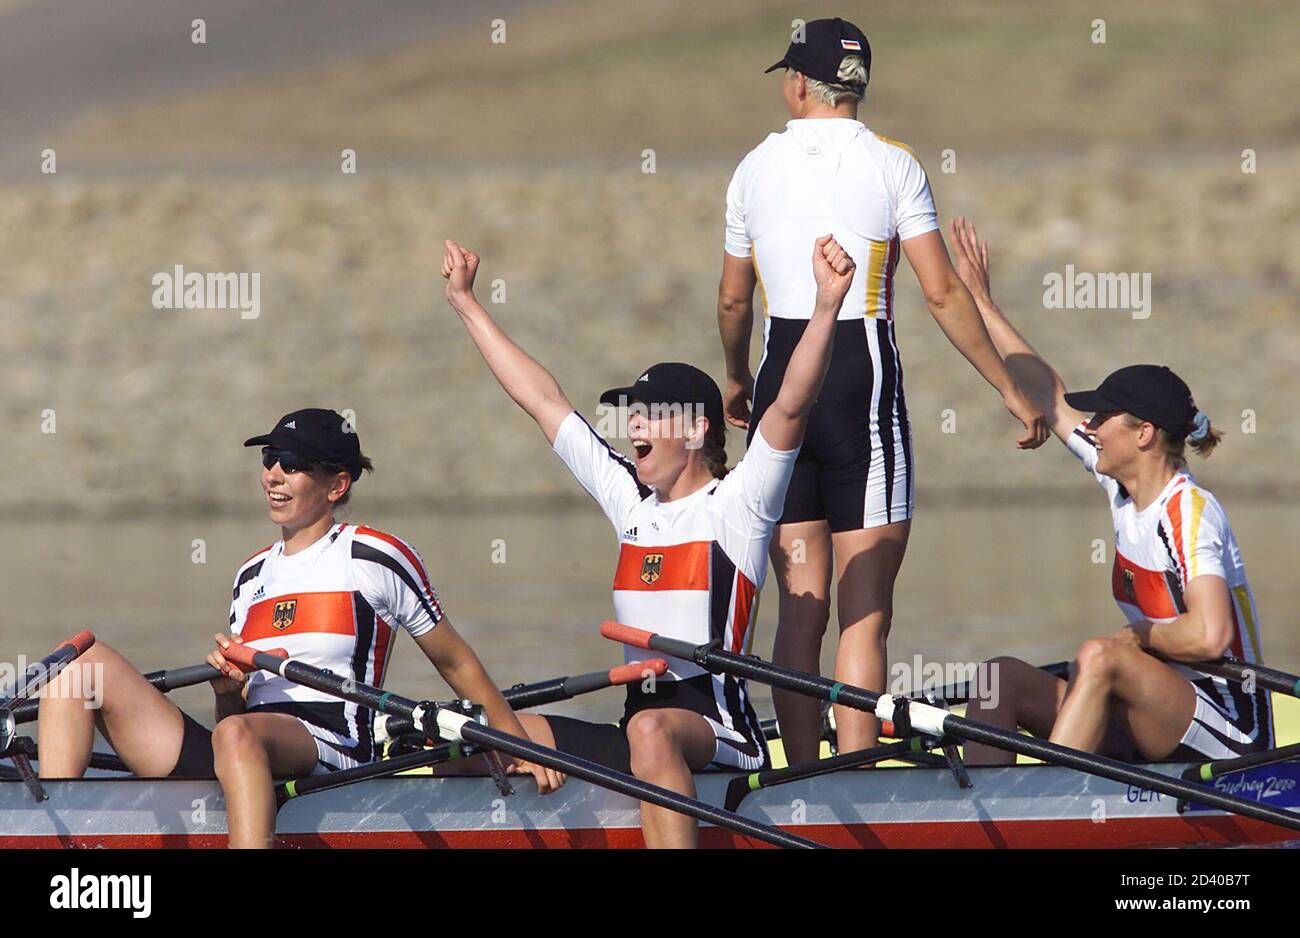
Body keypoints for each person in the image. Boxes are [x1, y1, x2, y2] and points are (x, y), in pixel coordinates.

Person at [442, 231, 855, 847]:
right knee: (476, 739)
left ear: (695, 430)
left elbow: (790, 408)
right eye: (630, 411)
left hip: (719, 732)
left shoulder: (738, 505)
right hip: (639, 725)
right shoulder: (629, 501)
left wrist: (825, 308)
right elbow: (543, 400)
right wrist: (468, 305)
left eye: (650, 411)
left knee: (650, 732)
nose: (633, 422)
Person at [716, 17, 1048, 762]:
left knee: (801, 611)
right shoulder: (893, 164)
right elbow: (941, 294)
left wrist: (736, 375)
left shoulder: (752, 168)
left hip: (780, 392)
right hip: (860, 386)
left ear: (799, 83)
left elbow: (736, 302)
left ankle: (802, 779)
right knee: (863, 617)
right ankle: (857, 779)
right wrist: (1007, 388)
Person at [37, 408, 561, 847]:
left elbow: (456, 662)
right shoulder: (250, 575)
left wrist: (516, 745)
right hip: (246, 741)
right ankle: (46, 833)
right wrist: (226, 691)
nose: (273, 474)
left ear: (337, 484)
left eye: (292, 464)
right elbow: (235, 715)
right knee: (80, 665)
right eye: (269, 460)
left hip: (333, 744)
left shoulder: (374, 555)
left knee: (238, 735)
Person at [946, 217, 1273, 766]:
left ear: (1143, 434)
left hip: (1231, 726)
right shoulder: (1115, 478)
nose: (1090, 426)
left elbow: (1211, 636)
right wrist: (982, 301)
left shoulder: (1190, 513)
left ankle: (1045, 809)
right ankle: (982, 812)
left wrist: (1138, 638)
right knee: (998, 678)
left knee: (1100, 655)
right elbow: (1047, 397)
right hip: (1157, 705)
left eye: (1103, 416)